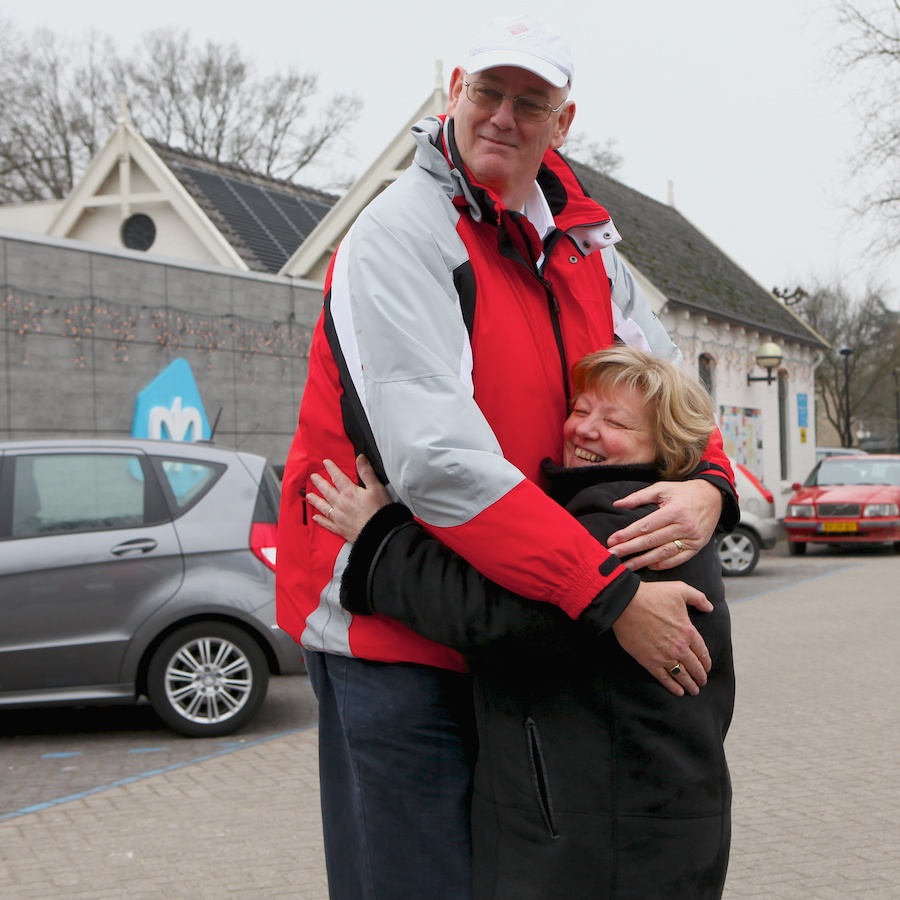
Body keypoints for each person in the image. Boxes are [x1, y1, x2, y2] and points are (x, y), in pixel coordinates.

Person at [276, 13, 738, 899]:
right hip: (399, 631)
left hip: (521, 622)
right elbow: (438, 461)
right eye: (487, 91)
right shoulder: (401, 236)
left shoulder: (589, 252)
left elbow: (671, 388)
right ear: (453, 92)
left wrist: (713, 486)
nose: (503, 116)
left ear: (563, 123)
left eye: (531, 102)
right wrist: (610, 595)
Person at [309, 346, 734, 899]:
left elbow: (494, 615)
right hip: (644, 823)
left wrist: (380, 540)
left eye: (615, 421)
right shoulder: (643, 511)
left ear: (666, 446)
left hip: (604, 838)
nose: (586, 429)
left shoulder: (624, 523)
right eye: (581, 410)